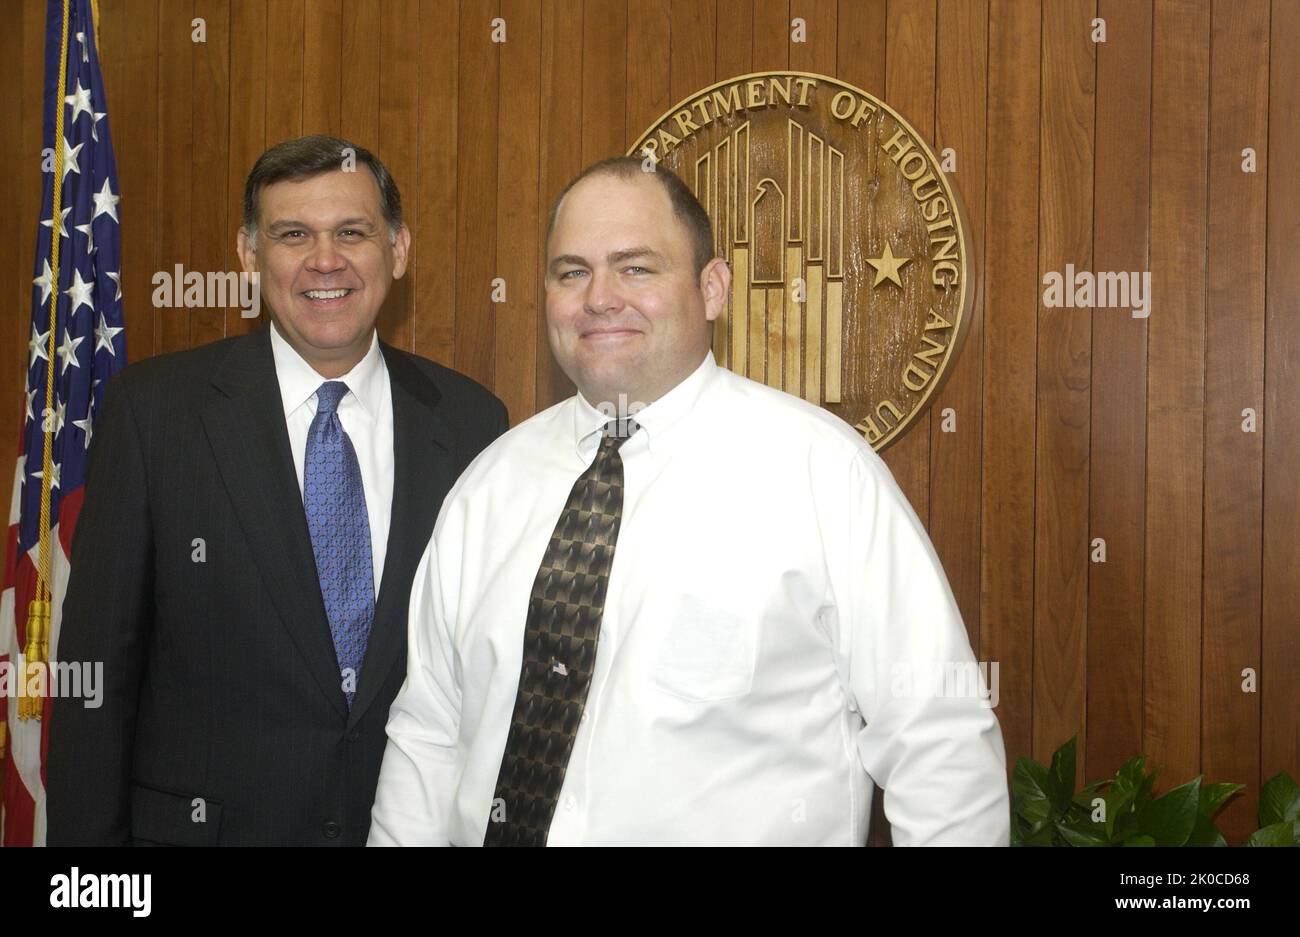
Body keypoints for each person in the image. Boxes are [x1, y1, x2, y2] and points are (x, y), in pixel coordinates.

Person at [368, 157, 1009, 846]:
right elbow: (428, 736)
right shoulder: (487, 489)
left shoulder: (823, 475)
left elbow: (938, 744)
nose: (600, 297)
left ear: (712, 288)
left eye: (636, 267)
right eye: (571, 271)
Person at [46, 135, 508, 845]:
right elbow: (95, 687)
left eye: (352, 232)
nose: (326, 260)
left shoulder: (473, 421)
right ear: (249, 254)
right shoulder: (155, 413)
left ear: (399, 250)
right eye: (294, 235)